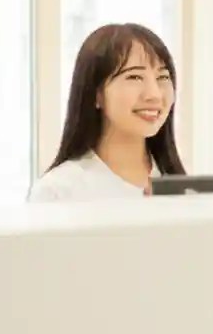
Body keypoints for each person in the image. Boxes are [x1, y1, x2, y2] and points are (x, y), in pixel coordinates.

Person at [28, 23, 186, 202]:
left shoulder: (184, 189)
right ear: (96, 94)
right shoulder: (58, 191)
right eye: (134, 77)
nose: (154, 95)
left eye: (163, 77)